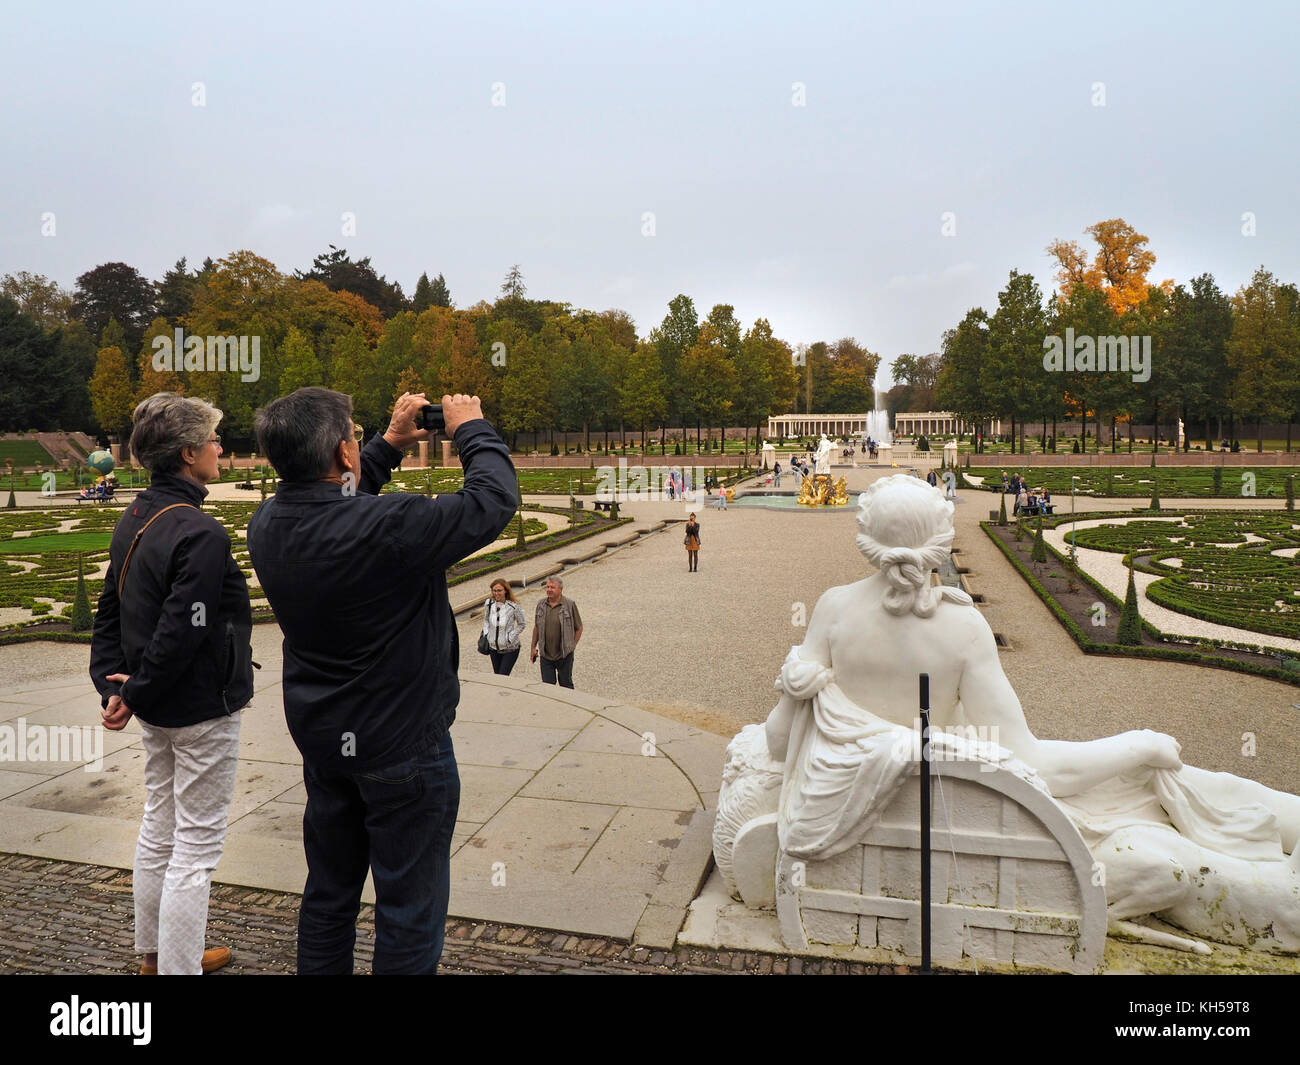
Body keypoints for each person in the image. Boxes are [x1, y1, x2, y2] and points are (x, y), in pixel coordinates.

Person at [247, 389, 516, 974]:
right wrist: (473, 429)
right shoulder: (388, 526)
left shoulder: (266, 522)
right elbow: (492, 501)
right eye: (354, 434)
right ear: (343, 452)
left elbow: (335, 496)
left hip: (324, 739)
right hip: (402, 745)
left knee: (329, 893)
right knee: (409, 908)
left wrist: (389, 444)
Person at [90, 393, 254, 976]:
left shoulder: (134, 514)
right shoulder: (199, 532)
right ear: (188, 453)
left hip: (155, 705)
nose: (219, 448)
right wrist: (132, 691)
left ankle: (157, 958)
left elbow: (109, 614)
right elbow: (182, 633)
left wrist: (116, 688)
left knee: (160, 827)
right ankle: (178, 970)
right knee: (196, 848)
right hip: (198, 707)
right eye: (212, 439)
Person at [530, 576, 583, 688]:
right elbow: (537, 627)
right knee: (548, 687)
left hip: (564, 655)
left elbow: (579, 628)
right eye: (547, 587)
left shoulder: (569, 604)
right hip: (546, 655)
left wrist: (572, 646)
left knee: (566, 685)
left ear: (560, 589)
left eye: (552, 587)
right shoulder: (541, 604)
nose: (549, 589)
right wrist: (533, 648)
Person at [483, 579, 526, 675]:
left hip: (510, 649)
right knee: (497, 676)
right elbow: (486, 620)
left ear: (505, 590)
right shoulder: (489, 604)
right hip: (493, 648)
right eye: (494, 590)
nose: (496, 593)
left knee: (503, 675)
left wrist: (510, 637)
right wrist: (487, 634)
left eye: (499, 590)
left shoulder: (514, 606)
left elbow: (522, 624)